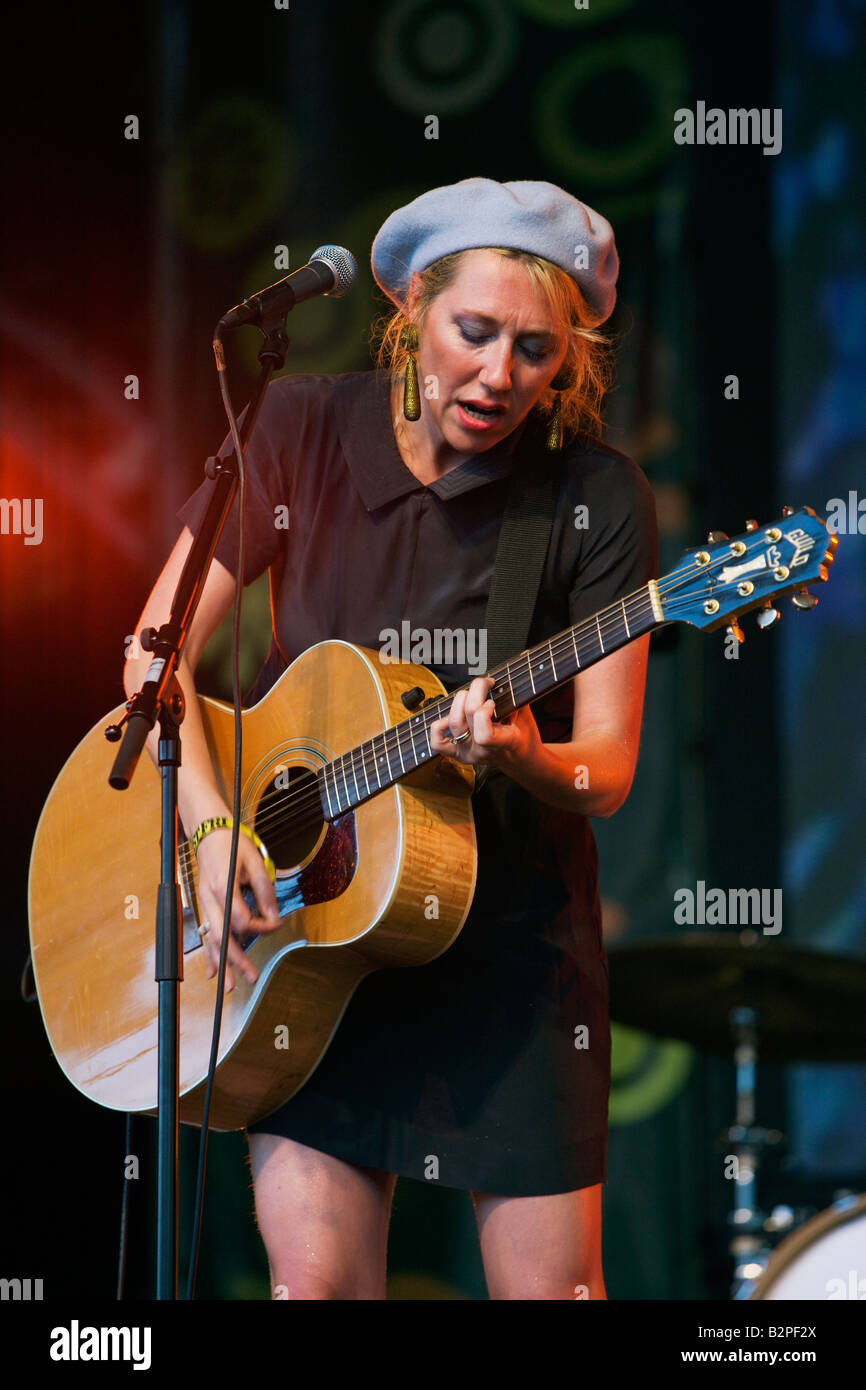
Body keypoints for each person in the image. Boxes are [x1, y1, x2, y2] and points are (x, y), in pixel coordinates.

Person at [124, 178, 658, 1300]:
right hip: (316, 948)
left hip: (507, 953)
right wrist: (215, 827)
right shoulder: (299, 427)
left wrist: (518, 749)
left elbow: (603, 770)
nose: (499, 375)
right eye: (474, 332)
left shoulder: (592, 496)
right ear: (411, 309)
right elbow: (153, 659)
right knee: (311, 1290)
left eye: (534, 350)